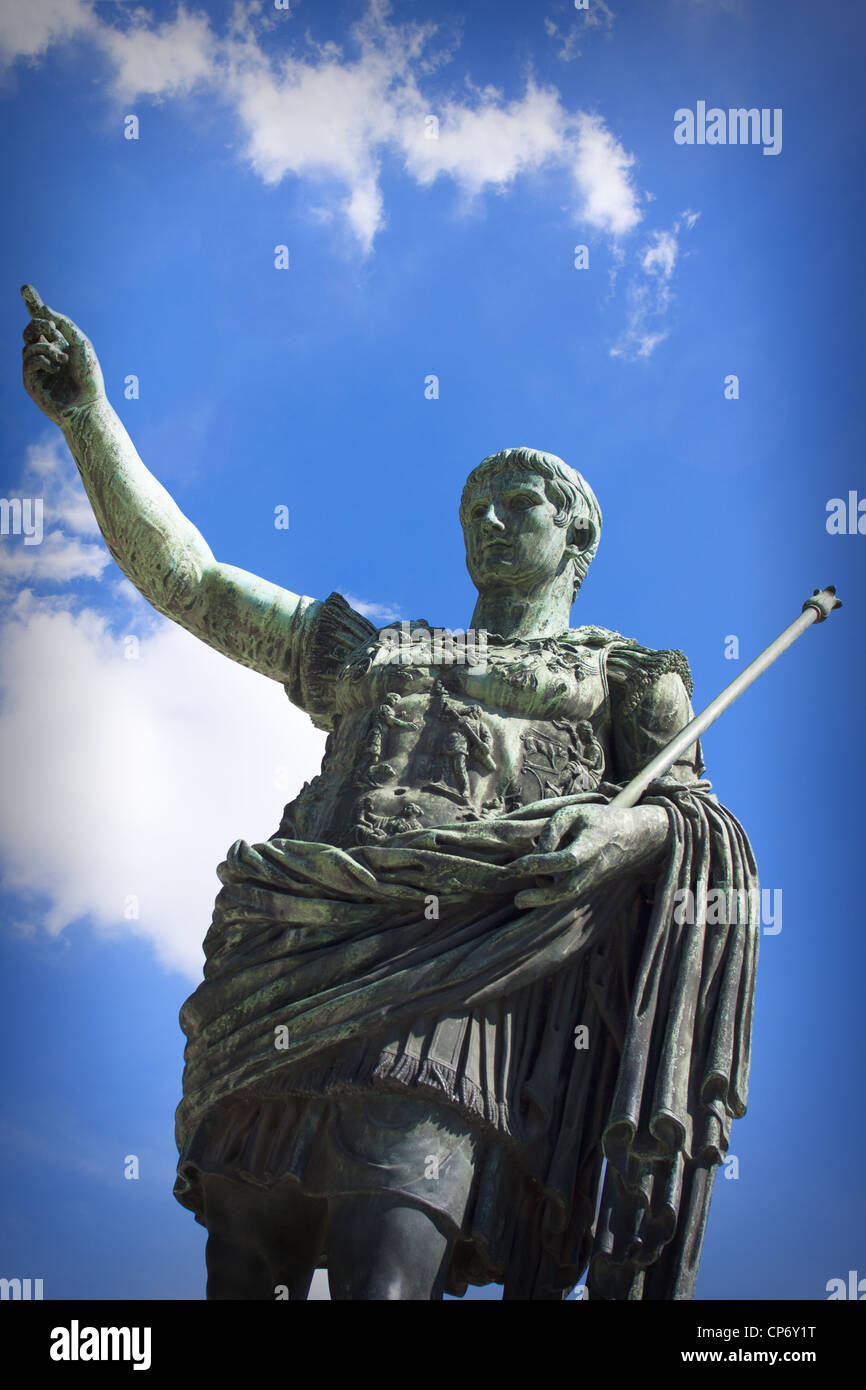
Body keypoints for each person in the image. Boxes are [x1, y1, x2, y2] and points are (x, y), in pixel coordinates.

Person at [21, 285, 759, 1301]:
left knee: (386, 1263)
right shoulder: (375, 650)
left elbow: (693, 820)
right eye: (472, 511)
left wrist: (615, 830)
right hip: (296, 950)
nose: (488, 522)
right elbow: (191, 581)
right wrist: (86, 418)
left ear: (575, 538)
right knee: (238, 1267)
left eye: (516, 505)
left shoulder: (624, 676)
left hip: (459, 974)